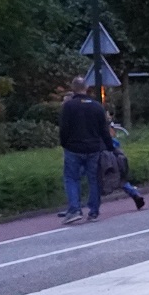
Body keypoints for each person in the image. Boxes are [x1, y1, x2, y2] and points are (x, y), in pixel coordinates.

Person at [58, 76, 113, 222]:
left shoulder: (69, 106)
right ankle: (94, 211)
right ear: (86, 88)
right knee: (94, 179)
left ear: (73, 88)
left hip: (73, 148)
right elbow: (104, 130)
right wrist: (110, 147)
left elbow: (64, 128)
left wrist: (64, 143)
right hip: (93, 148)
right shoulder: (96, 106)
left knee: (71, 178)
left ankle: (75, 209)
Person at [107, 117, 146, 211]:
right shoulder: (114, 141)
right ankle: (135, 194)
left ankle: (90, 208)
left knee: (97, 181)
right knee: (122, 181)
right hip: (118, 161)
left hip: (106, 162)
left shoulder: (100, 139)